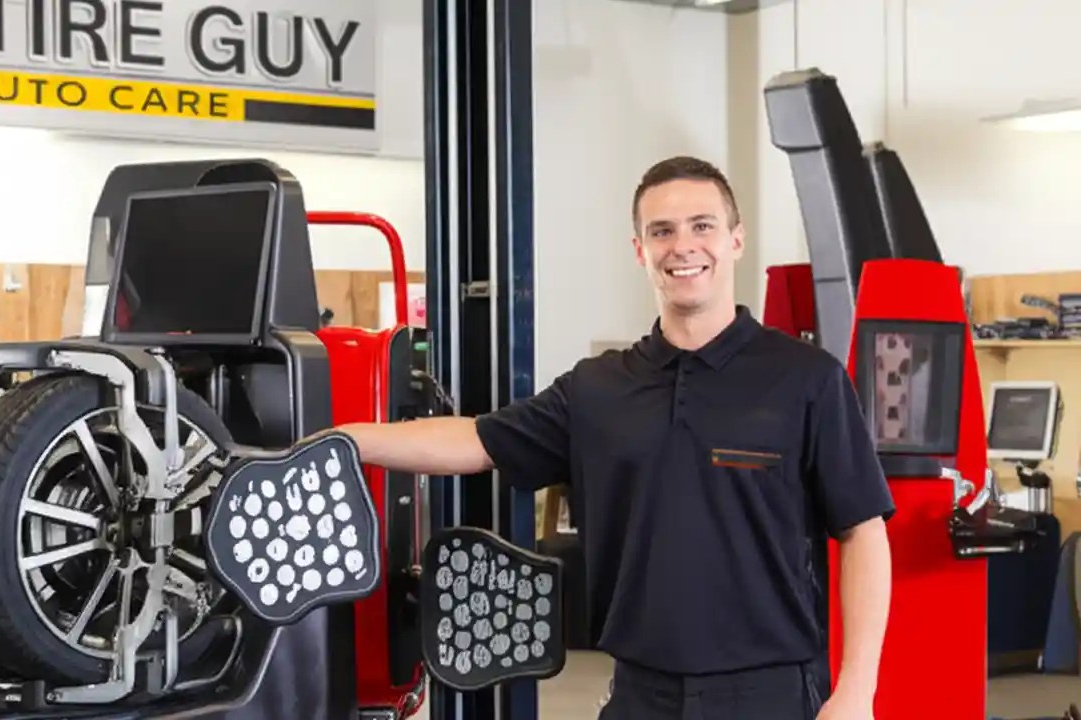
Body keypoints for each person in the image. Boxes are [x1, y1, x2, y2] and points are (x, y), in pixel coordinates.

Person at [336, 156, 894, 720]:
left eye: (703, 226)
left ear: (736, 240)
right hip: (639, 695)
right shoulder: (598, 388)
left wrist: (857, 691)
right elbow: (475, 441)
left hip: (770, 694)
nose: (683, 246)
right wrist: (345, 442)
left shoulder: (807, 378)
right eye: (662, 231)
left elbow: (862, 531)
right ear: (639, 250)